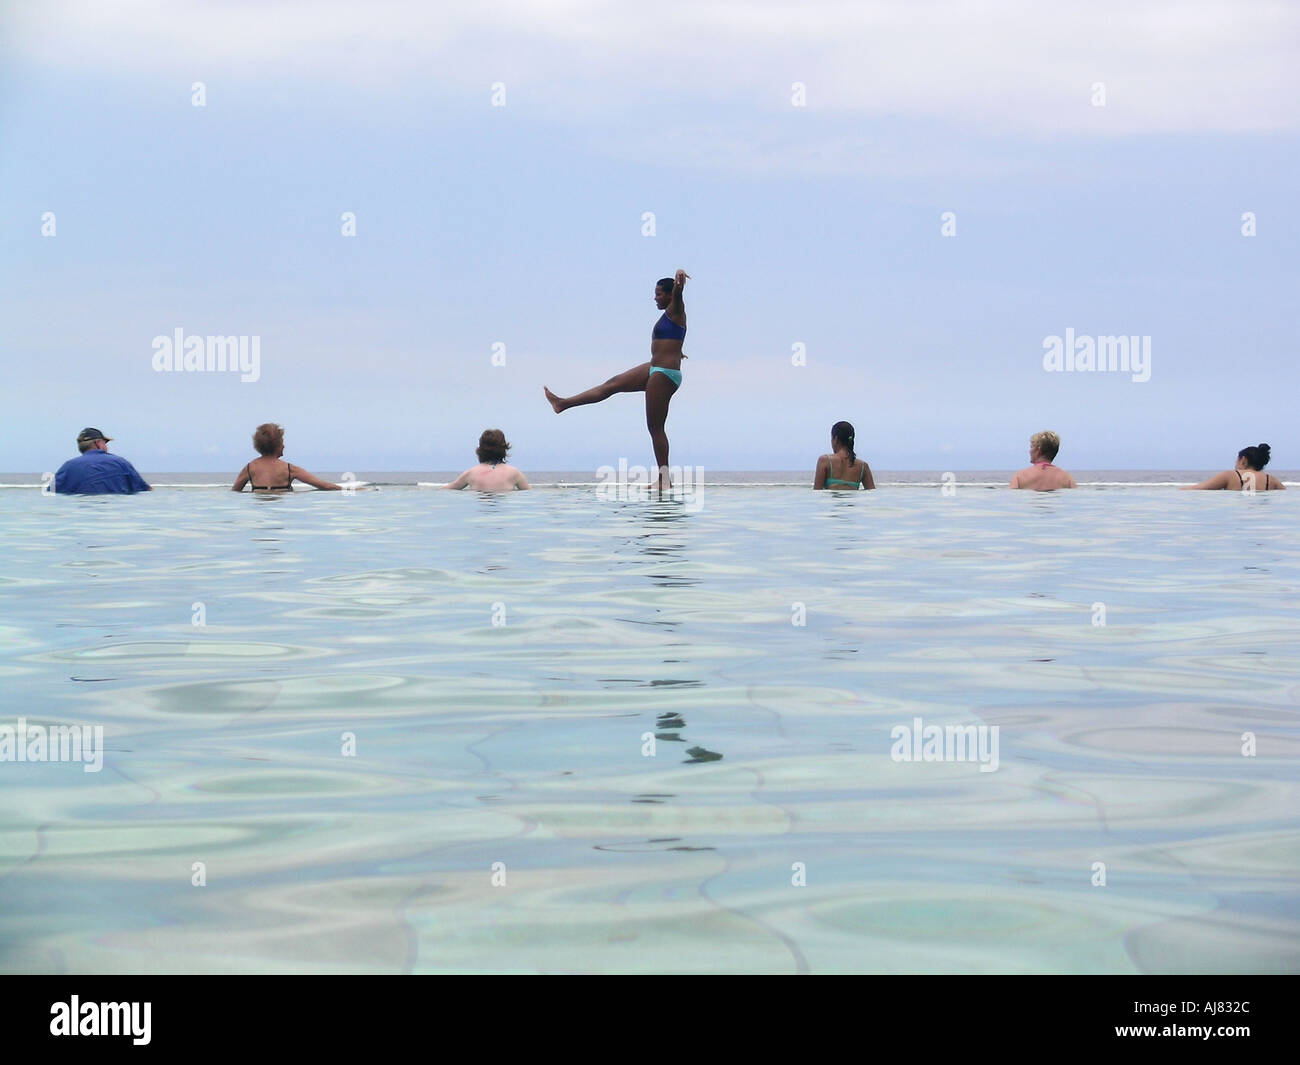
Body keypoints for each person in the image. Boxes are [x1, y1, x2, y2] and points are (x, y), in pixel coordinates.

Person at [544, 269, 689, 490]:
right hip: (655, 368)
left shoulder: (676, 308)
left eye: (659, 294)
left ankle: (664, 479)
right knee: (612, 385)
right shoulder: (670, 315)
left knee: (655, 428)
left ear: (669, 295)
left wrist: (679, 284)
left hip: (663, 374)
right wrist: (678, 352)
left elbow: (678, 296)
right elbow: (671, 341)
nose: (655, 298)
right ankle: (562, 404)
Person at [231, 423, 341, 492]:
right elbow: (324, 486)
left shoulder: (250, 468)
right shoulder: (289, 469)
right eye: (282, 442)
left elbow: (235, 492)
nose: (284, 446)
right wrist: (349, 489)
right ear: (277, 445)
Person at [54, 428, 151, 494]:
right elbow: (145, 490)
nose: (106, 446)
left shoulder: (67, 467)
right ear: (98, 443)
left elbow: (50, 493)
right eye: (105, 443)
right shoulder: (121, 462)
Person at [443, 429, 530, 491]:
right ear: (504, 448)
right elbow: (528, 492)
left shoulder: (470, 473)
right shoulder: (514, 473)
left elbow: (449, 488)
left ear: (480, 450)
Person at [1182, 443, 1285, 491]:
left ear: (1243, 460)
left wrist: (1179, 490)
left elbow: (1199, 488)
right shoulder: (1272, 480)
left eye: (1237, 460)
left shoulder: (1231, 475)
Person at [814, 421, 875, 490]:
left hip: (831, 501)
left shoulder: (824, 461)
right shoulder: (863, 466)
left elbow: (817, 491)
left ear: (835, 439)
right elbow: (872, 493)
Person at [1010, 431, 1077, 490]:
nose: (1029, 451)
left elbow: (1012, 501)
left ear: (1038, 450)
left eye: (1031, 447)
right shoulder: (1068, 479)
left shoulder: (1019, 477)